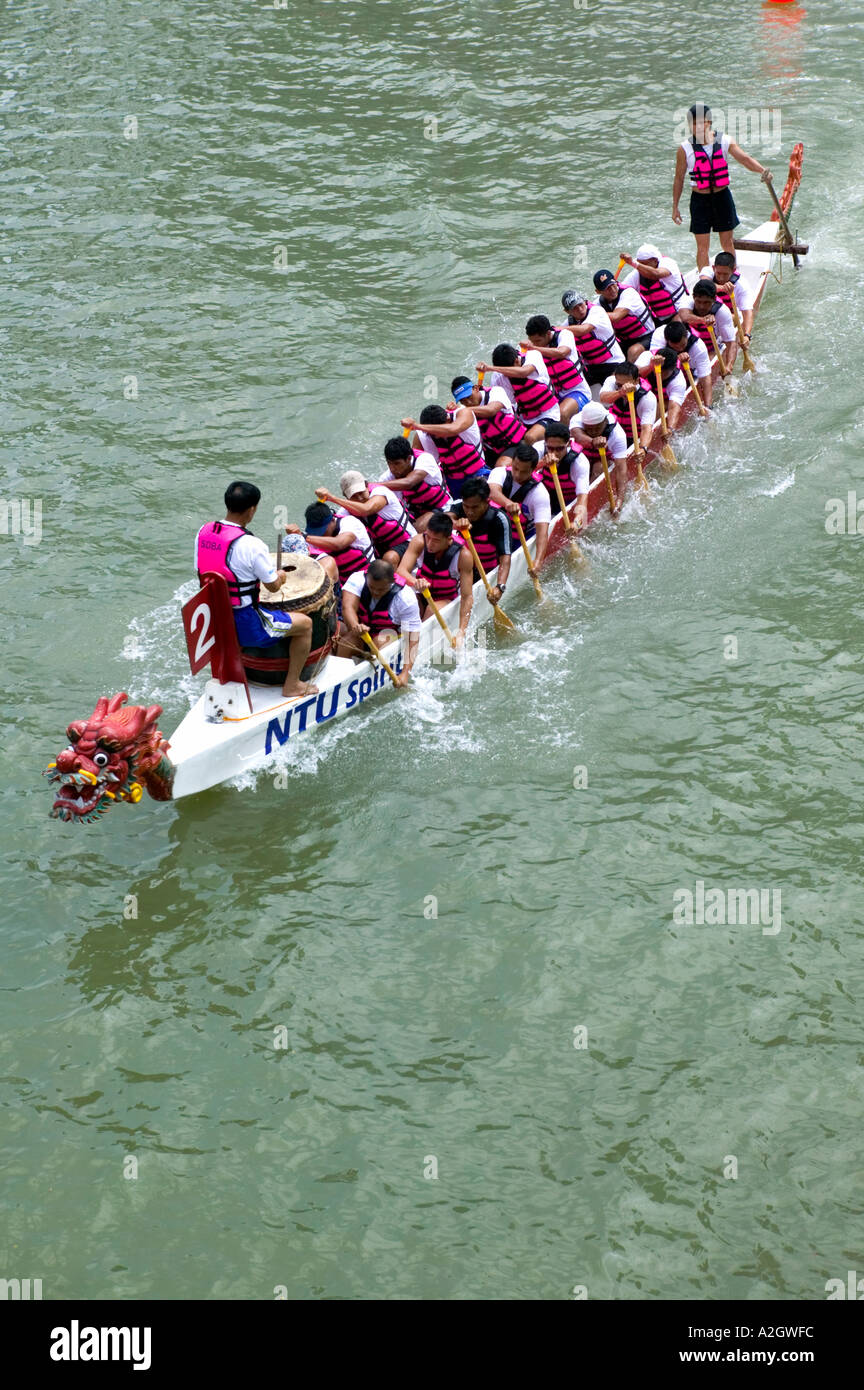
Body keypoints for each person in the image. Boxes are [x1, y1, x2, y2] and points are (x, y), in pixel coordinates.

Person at [195, 480, 319, 700]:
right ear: (252, 509)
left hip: (214, 620)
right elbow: (271, 585)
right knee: (306, 625)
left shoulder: (203, 533)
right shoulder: (252, 545)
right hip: (244, 625)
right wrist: (280, 576)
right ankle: (293, 685)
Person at [673, 103, 773, 266]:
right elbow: (678, 178)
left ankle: (732, 277)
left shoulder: (725, 141)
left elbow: (745, 159)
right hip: (700, 200)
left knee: (727, 244)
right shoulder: (684, 149)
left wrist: (763, 171)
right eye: (693, 123)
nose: (697, 127)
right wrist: (675, 207)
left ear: (709, 123)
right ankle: (705, 284)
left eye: (701, 122)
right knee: (702, 248)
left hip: (722, 197)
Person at [338, 558, 421, 685]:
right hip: (362, 632)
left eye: (381, 589)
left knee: (380, 641)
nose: (375, 592)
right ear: (367, 577)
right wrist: (356, 626)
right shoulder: (357, 579)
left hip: (388, 635)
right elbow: (347, 608)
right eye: (371, 587)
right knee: (347, 641)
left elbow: (413, 637)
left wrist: (405, 673)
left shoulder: (406, 598)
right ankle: (340, 680)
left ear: (392, 582)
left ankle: (372, 670)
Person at [397, 509, 475, 646]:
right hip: (422, 592)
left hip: (446, 598)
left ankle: (417, 644)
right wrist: (416, 582)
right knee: (405, 600)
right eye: (428, 537)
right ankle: (402, 638)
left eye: (436, 540)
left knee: (431, 610)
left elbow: (467, 596)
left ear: (448, 539)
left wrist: (461, 631)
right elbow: (401, 571)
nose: (430, 544)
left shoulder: (464, 556)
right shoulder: (418, 541)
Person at [317, 470, 416, 565]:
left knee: (389, 558)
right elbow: (330, 527)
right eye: (354, 496)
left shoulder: (381, 492)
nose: (360, 498)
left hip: (407, 542)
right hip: (379, 550)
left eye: (361, 492)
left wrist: (332, 498)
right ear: (346, 497)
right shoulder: (345, 512)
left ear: (366, 486)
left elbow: (366, 509)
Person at [488, 442, 552, 573]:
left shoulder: (540, 493)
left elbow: (542, 532)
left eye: (523, 472)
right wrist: (508, 503)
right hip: (496, 533)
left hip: (521, 537)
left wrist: (538, 561)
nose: (517, 475)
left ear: (533, 469)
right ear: (512, 463)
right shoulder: (499, 473)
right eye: (515, 468)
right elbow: (492, 492)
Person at [401, 403, 488, 499]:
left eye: (439, 432)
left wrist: (417, 426)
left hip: (479, 472)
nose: (436, 436)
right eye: (432, 434)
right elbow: (413, 465)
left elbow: (453, 429)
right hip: (453, 481)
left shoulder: (463, 413)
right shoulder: (422, 436)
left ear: (448, 420)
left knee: (480, 495)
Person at [449, 375, 539, 468]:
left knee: (500, 466)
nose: (468, 402)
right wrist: (450, 415)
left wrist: (462, 410)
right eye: (463, 401)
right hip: (492, 452)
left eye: (469, 397)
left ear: (476, 388)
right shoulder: (462, 411)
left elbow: (490, 410)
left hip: (516, 442)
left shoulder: (496, 392)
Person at [449, 477, 512, 604]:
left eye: (475, 507)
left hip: (487, 571)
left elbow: (505, 558)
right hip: (464, 570)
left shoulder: (499, 519)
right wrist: (456, 523)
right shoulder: (458, 508)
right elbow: (446, 519)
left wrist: (500, 586)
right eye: (466, 506)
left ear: (487, 501)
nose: (470, 512)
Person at [522, 315, 591, 422]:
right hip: (552, 396)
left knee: (562, 413)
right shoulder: (531, 347)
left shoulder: (564, 335)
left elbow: (562, 352)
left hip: (577, 391)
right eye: (532, 341)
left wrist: (533, 348)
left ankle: (566, 438)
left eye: (538, 340)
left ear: (548, 333)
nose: (535, 343)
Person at [377, 435, 452, 531]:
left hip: (443, 508)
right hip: (416, 513)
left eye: (396, 463)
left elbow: (409, 482)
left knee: (418, 528)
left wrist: (375, 485)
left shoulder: (425, 459)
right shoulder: (386, 478)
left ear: (408, 459)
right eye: (389, 463)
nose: (392, 468)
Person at [478, 343, 560, 427]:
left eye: (507, 371)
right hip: (525, 417)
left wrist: (490, 368)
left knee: (531, 437)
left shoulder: (533, 355)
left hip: (549, 412)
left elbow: (524, 372)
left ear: (517, 360)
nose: (507, 374)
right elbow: (507, 403)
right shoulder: (497, 376)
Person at [569, 401, 629, 513]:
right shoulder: (577, 419)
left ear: (605, 422)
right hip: (583, 456)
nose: (592, 432)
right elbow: (578, 436)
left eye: (596, 429)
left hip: (604, 459)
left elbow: (621, 469)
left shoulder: (617, 434)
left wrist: (619, 500)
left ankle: (586, 500)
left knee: (599, 468)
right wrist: (593, 441)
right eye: (589, 429)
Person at [560, 289, 624, 390]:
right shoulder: (567, 325)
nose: (580, 309)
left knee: (613, 386)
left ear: (585, 302)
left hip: (613, 362)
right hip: (590, 368)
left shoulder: (597, 311)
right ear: (567, 311)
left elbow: (584, 329)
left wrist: (556, 329)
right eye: (575, 308)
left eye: (581, 305)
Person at [532, 420, 589, 531]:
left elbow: (582, 497)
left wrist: (577, 523)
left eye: (559, 448)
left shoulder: (579, 462)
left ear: (568, 444)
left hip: (568, 502)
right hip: (544, 500)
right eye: (550, 448)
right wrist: (542, 463)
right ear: (545, 443)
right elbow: (521, 476)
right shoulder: (538, 449)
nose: (554, 453)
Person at [302, 500, 375, 583]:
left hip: (368, 576)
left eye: (322, 531)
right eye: (315, 532)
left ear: (332, 519)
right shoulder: (312, 537)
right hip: (343, 584)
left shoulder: (350, 522)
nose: (320, 535)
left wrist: (305, 537)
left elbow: (339, 544)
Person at [700, 250, 755, 360]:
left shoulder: (741, 285)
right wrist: (722, 288)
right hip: (707, 314)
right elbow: (703, 284)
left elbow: (747, 313)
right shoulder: (707, 271)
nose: (721, 277)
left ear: (734, 271)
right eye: (718, 273)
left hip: (730, 317)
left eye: (725, 274)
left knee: (730, 318)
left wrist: (746, 335)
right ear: (713, 268)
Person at [649, 318, 713, 408]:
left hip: (686, 373)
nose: (680, 349)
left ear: (686, 335)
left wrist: (708, 406)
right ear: (667, 341)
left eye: (683, 345)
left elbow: (705, 377)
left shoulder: (698, 346)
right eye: (675, 347)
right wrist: (677, 358)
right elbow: (657, 363)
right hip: (663, 375)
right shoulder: (659, 335)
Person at [618, 244, 687, 326]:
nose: (641, 267)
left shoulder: (668, 263)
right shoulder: (637, 273)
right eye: (639, 263)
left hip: (679, 311)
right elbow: (621, 290)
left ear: (655, 260)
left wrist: (633, 263)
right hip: (658, 319)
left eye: (644, 264)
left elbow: (656, 274)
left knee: (677, 326)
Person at [599, 360, 657, 455]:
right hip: (615, 433)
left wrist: (643, 448)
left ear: (637, 381)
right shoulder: (612, 381)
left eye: (627, 384)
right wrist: (620, 392)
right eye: (619, 385)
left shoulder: (648, 398)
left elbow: (646, 428)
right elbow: (603, 399)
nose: (624, 387)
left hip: (635, 437)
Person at [678, 278, 737, 371]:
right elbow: (684, 317)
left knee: (704, 363)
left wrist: (729, 365)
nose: (702, 306)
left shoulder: (722, 311)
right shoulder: (687, 301)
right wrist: (703, 320)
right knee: (676, 320)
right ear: (693, 297)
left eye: (706, 302)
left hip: (710, 347)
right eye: (699, 302)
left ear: (714, 299)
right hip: (686, 344)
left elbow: (731, 343)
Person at [592, 269, 655, 354]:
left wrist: (592, 314)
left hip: (647, 335)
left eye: (613, 285)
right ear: (598, 292)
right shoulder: (597, 304)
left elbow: (616, 317)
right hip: (624, 340)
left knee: (633, 351)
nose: (613, 290)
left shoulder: (628, 293)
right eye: (607, 288)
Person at [649, 346, 689, 432]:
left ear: (672, 369)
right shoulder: (646, 358)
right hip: (641, 399)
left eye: (663, 373)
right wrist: (651, 366)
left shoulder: (678, 381)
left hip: (661, 401)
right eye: (656, 371)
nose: (658, 374)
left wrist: (670, 428)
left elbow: (674, 408)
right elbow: (636, 375)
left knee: (658, 405)